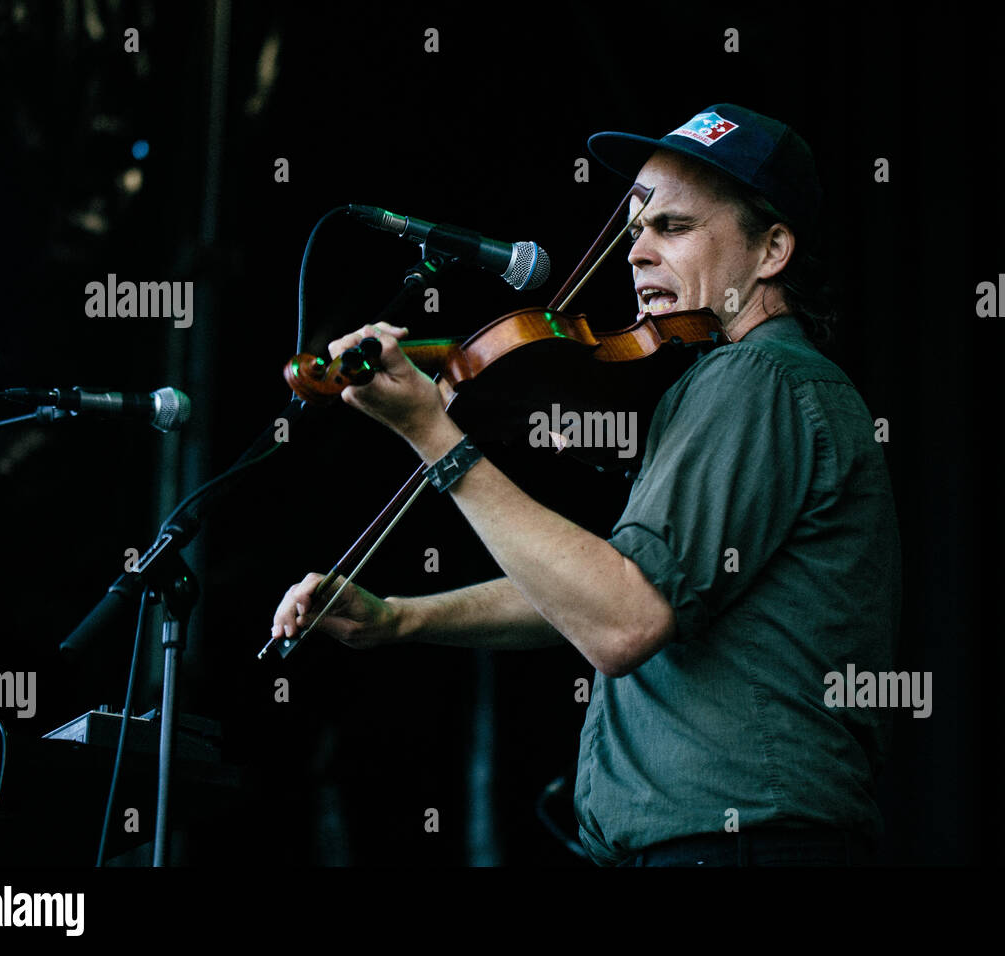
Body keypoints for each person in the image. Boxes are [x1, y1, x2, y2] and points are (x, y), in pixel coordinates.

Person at [270, 104, 901, 866]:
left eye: (672, 227)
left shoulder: (758, 377)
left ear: (771, 249)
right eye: (634, 228)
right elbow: (603, 590)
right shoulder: (727, 385)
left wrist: (435, 437)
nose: (636, 254)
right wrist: (402, 618)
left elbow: (621, 621)